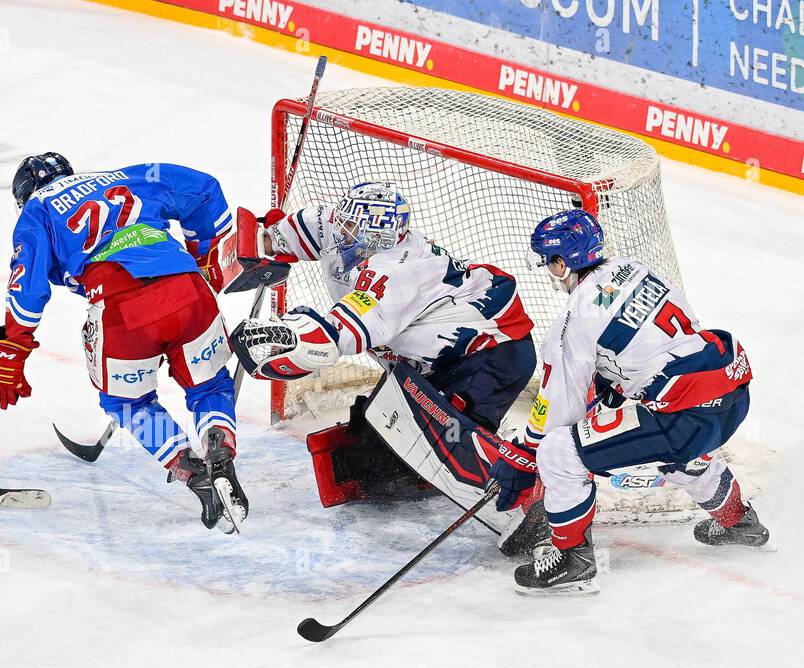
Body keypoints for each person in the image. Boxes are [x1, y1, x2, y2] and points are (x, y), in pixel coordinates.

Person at [489, 209, 768, 594]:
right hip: (730, 391)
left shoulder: (573, 322)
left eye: (550, 263)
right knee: (667, 448)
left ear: (563, 262)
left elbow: (558, 414)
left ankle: (572, 559)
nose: (550, 273)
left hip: (684, 415)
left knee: (558, 451)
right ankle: (739, 521)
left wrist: (523, 452)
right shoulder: (632, 268)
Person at [232, 182, 537, 508]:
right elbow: (303, 227)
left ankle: (530, 492)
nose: (339, 230)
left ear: (375, 237)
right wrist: (264, 241)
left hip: (490, 353)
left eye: (349, 226)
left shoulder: (395, 273)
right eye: (343, 220)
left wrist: (289, 337)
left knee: (449, 442)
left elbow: (340, 335)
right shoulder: (343, 230)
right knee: (382, 448)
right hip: (434, 357)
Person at [0, 153, 247, 532]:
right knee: (209, 384)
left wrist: (13, 345)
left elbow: (27, 291)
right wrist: (205, 255)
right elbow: (203, 190)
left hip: (121, 309)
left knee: (129, 401)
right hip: (188, 289)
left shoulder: (37, 210)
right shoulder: (126, 177)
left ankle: (193, 473)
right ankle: (220, 451)